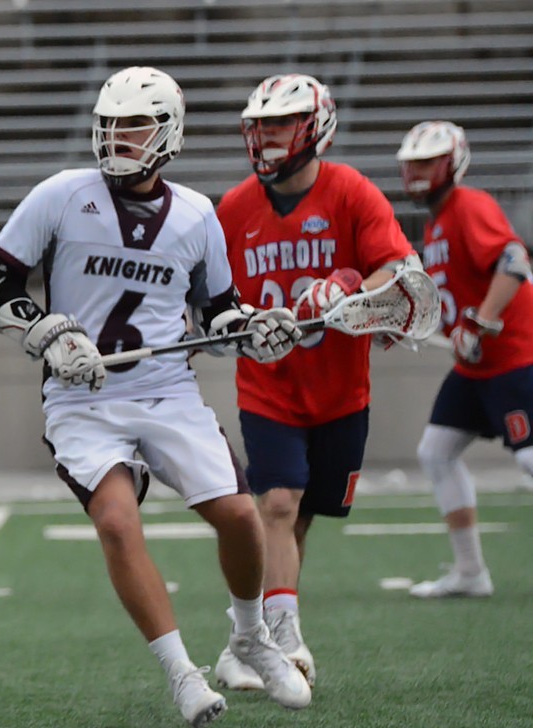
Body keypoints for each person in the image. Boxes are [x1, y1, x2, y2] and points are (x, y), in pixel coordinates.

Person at [0, 66, 312, 728]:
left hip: (165, 392)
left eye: (133, 125)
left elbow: (215, 315)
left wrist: (249, 328)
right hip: (83, 396)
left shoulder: (195, 214)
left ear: (168, 131)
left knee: (241, 518)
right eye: (110, 124)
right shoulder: (61, 196)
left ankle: (247, 638)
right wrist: (47, 331)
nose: (118, 137)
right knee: (116, 521)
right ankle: (181, 673)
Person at [213, 74, 422, 691]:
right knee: (277, 504)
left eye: (278, 124)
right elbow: (210, 293)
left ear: (315, 126)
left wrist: (352, 282)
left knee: (299, 519)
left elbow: (398, 267)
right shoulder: (233, 207)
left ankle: (238, 643)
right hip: (268, 385)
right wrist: (237, 325)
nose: (265, 137)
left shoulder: (351, 191)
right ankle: (285, 638)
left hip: (339, 390)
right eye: (259, 125)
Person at [398, 121, 533, 599]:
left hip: (516, 358)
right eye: (411, 164)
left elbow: (515, 260)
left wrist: (481, 324)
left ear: (452, 163)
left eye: (427, 163)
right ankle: (471, 571)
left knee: (531, 461)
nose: (416, 174)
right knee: (435, 453)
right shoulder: (437, 221)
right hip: (477, 368)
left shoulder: (468, 206)